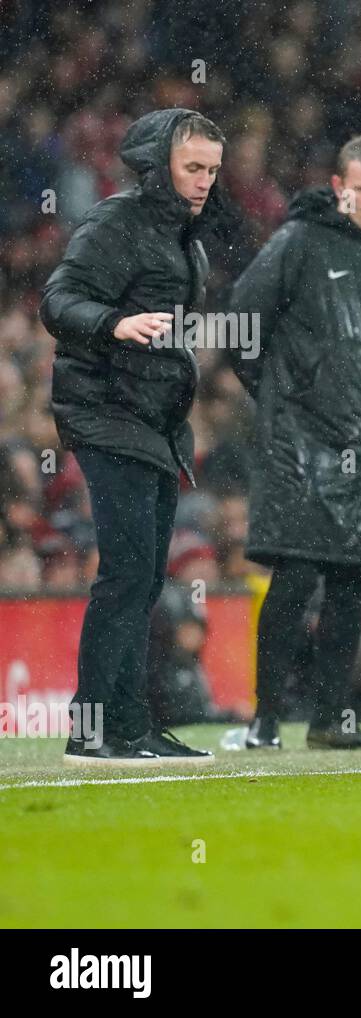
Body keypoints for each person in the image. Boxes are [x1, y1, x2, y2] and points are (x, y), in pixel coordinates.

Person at [41, 108, 230, 766]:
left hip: (155, 423)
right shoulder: (115, 222)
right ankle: (91, 729)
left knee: (147, 578)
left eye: (212, 169)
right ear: (158, 165)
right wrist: (114, 324)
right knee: (126, 576)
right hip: (105, 411)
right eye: (192, 168)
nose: (204, 181)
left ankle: (129, 725)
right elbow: (57, 299)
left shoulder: (186, 238)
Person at [229, 135, 361, 750]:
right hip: (303, 446)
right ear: (338, 187)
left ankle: (331, 719)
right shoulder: (299, 242)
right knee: (294, 579)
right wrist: (285, 401)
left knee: (350, 586)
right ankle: (264, 718)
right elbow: (241, 322)